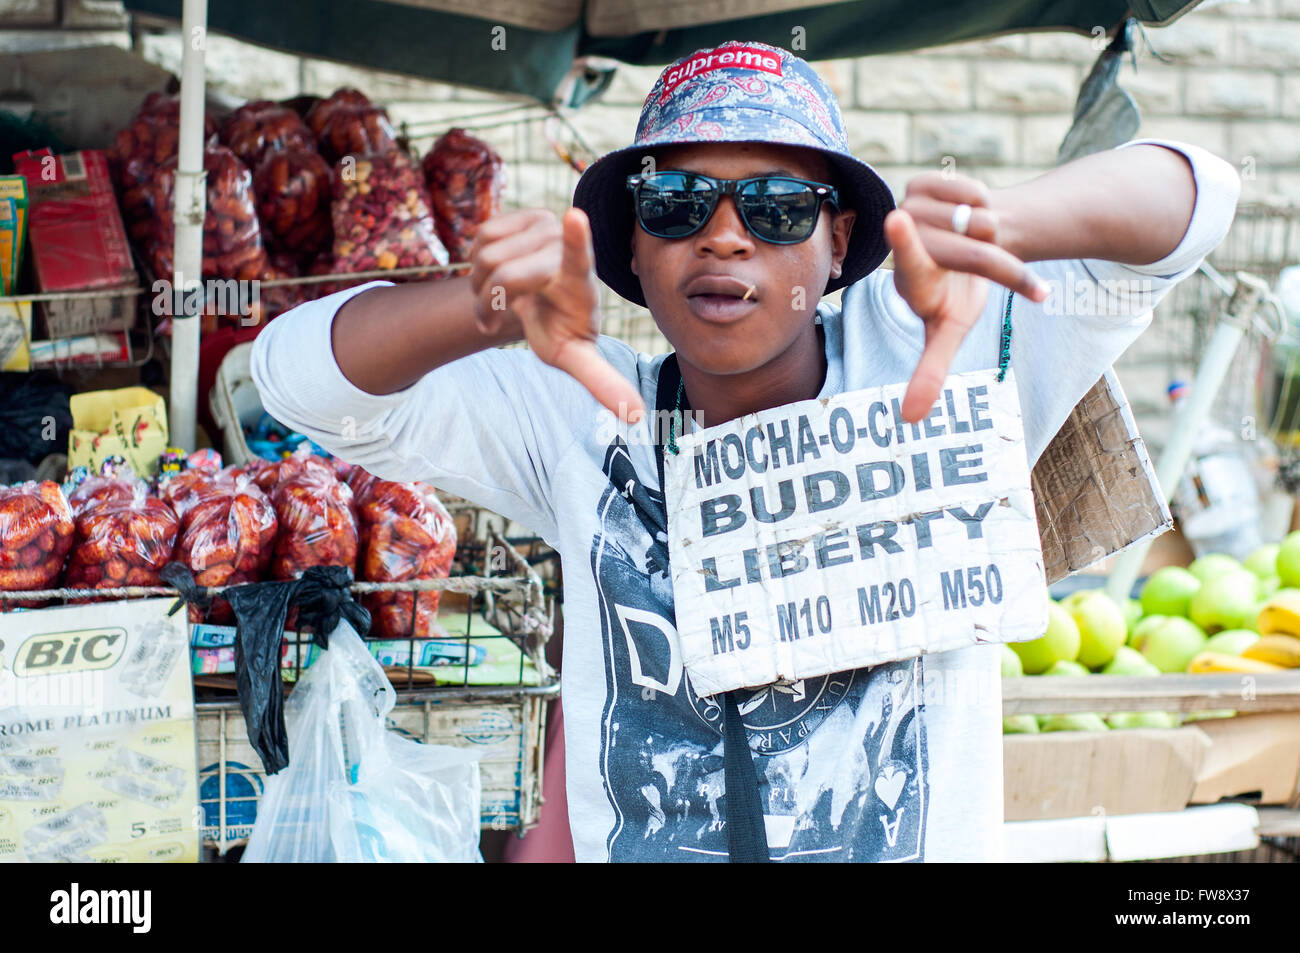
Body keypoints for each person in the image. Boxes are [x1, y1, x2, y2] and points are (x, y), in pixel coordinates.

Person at [252, 40, 1240, 862]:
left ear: (838, 239)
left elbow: (1198, 198)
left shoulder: (943, 365)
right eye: (677, 204)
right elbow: (294, 375)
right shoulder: (585, 420)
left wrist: (996, 223)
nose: (723, 239)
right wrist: (484, 304)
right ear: (632, 246)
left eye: (774, 209)